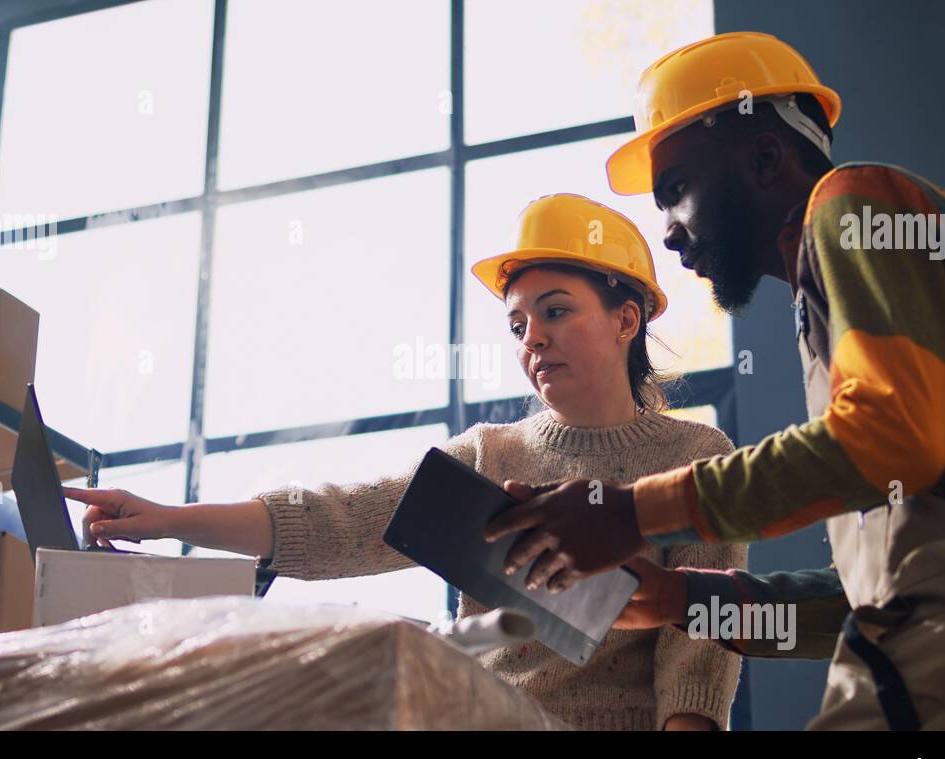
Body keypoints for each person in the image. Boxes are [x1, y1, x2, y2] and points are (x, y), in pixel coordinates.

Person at [485, 32, 945, 730]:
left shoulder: (854, 202)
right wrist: (682, 598)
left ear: (766, 157)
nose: (669, 233)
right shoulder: (833, 316)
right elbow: (877, 595)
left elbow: (894, 440)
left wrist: (627, 512)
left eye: (677, 190)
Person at [63, 193, 749, 731]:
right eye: (516, 325)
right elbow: (344, 521)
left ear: (626, 320)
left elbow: (697, 658)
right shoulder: (491, 453)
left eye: (557, 311)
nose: (532, 338)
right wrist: (167, 519)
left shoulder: (695, 459)